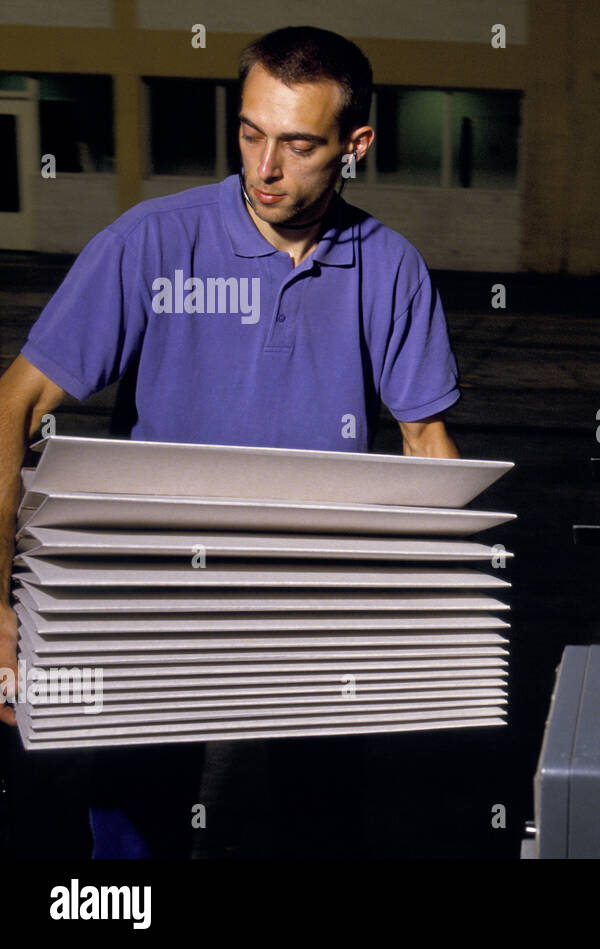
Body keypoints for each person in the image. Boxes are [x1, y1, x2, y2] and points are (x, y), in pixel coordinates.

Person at [0, 25, 462, 856]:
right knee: (131, 839)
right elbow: (13, 404)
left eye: (297, 142)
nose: (264, 167)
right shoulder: (152, 242)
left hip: (310, 609)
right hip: (149, 604)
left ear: (355, 144)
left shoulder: (391, 269)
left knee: (318, 829)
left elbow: (425, 442)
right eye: (250, 133)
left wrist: (442, 623)